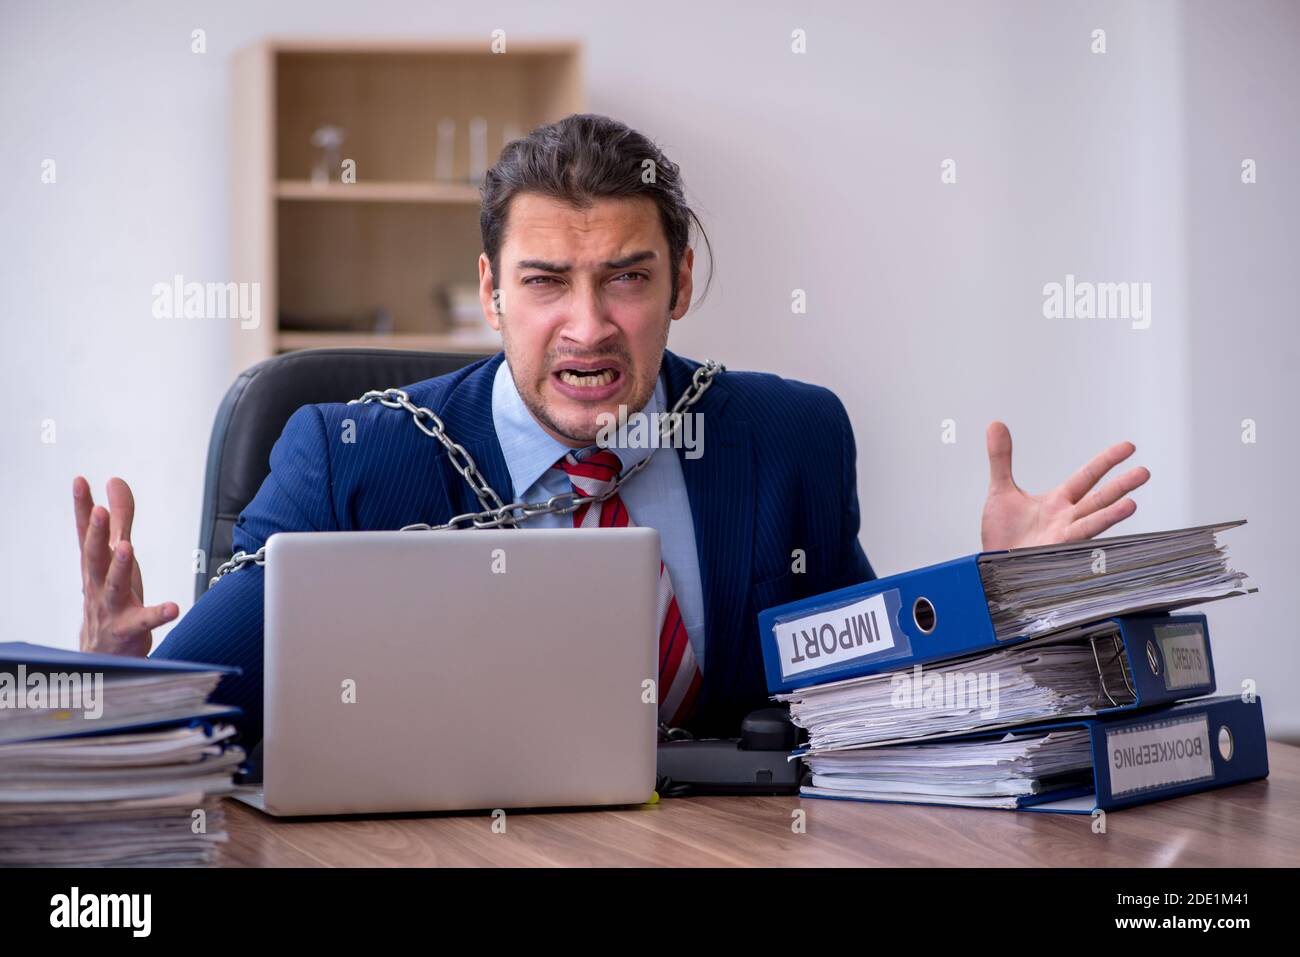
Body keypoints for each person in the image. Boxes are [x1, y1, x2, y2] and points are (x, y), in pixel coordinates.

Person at [72, 113, 1150, 751]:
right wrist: (115, 678)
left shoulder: (786, 439)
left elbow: (858, 692)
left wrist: (999, 602)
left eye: (626, 278)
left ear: (680, 282)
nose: (587, 326)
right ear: (492, 291)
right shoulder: (348, 456)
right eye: (546, 282)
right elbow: (187, 721)